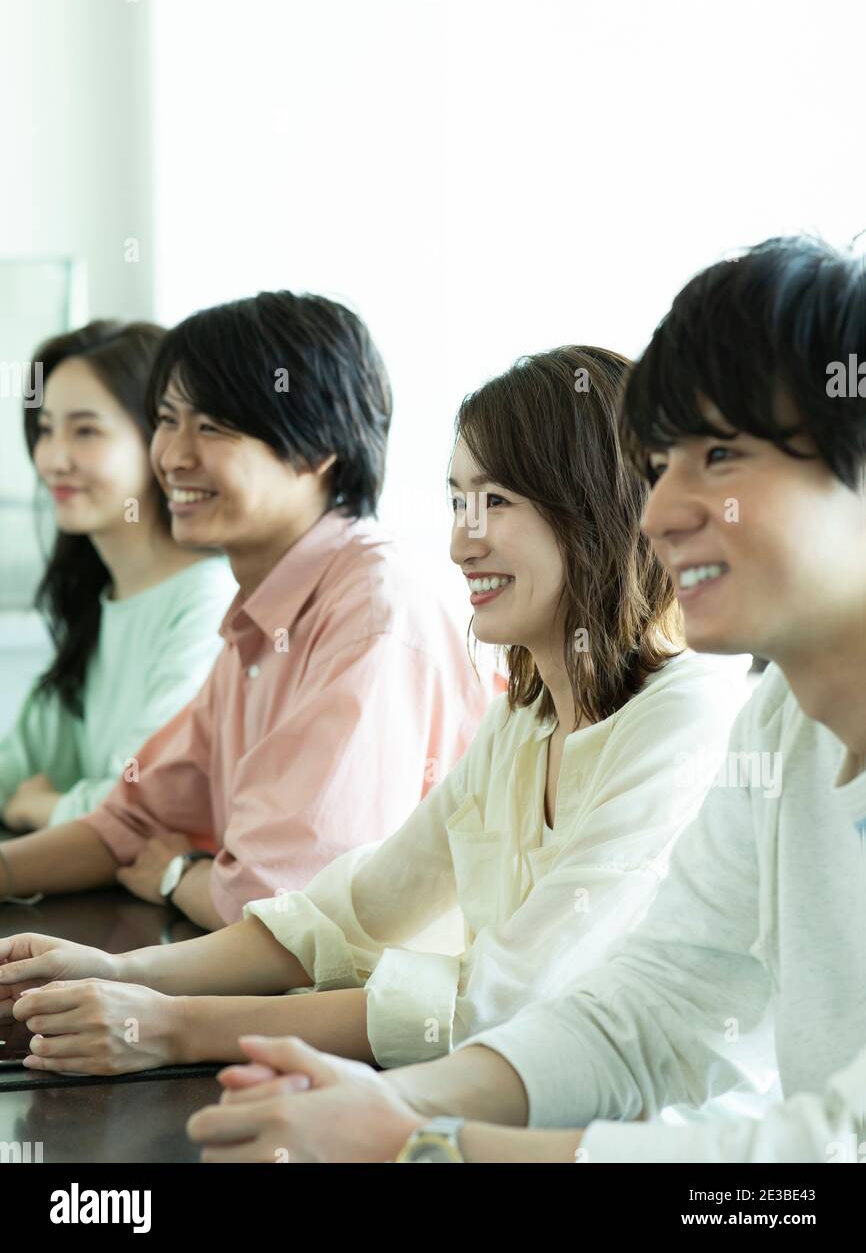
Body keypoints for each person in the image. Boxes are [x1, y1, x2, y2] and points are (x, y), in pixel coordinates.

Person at [176, 234, 864, 1165]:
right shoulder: (780, 723)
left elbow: (823, 1157)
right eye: (658, 466)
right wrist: (396, 1111)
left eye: (724, 456)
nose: (659, 513)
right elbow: (650, 1010)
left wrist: (431, 1145)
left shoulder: (700, 712)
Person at [0, 346, 751, 1084]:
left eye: (497, 502)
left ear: (598, 508)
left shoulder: (685, 715)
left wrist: (171, 1028)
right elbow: (349, 913)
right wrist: (121, 972)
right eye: (458, 502)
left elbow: (496, 1004)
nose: (462, 541)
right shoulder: (522, 726)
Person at [0, 291, 490, 929]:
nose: (172, 456)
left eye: (211, 427)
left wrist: (179, 875)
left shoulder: (372, 610)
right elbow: (133, 818)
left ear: (318, 449)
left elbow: (286, 906)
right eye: (168, 421)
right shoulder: (261, 612)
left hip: (366, 1015)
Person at [0, 320, 236, 834]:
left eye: (85, 431)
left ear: (160, 443)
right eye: (45, 430)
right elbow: (21, 759)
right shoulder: (101, 597)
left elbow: (150, 798)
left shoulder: (207, 598)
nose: (53, 459)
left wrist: (43, 809)